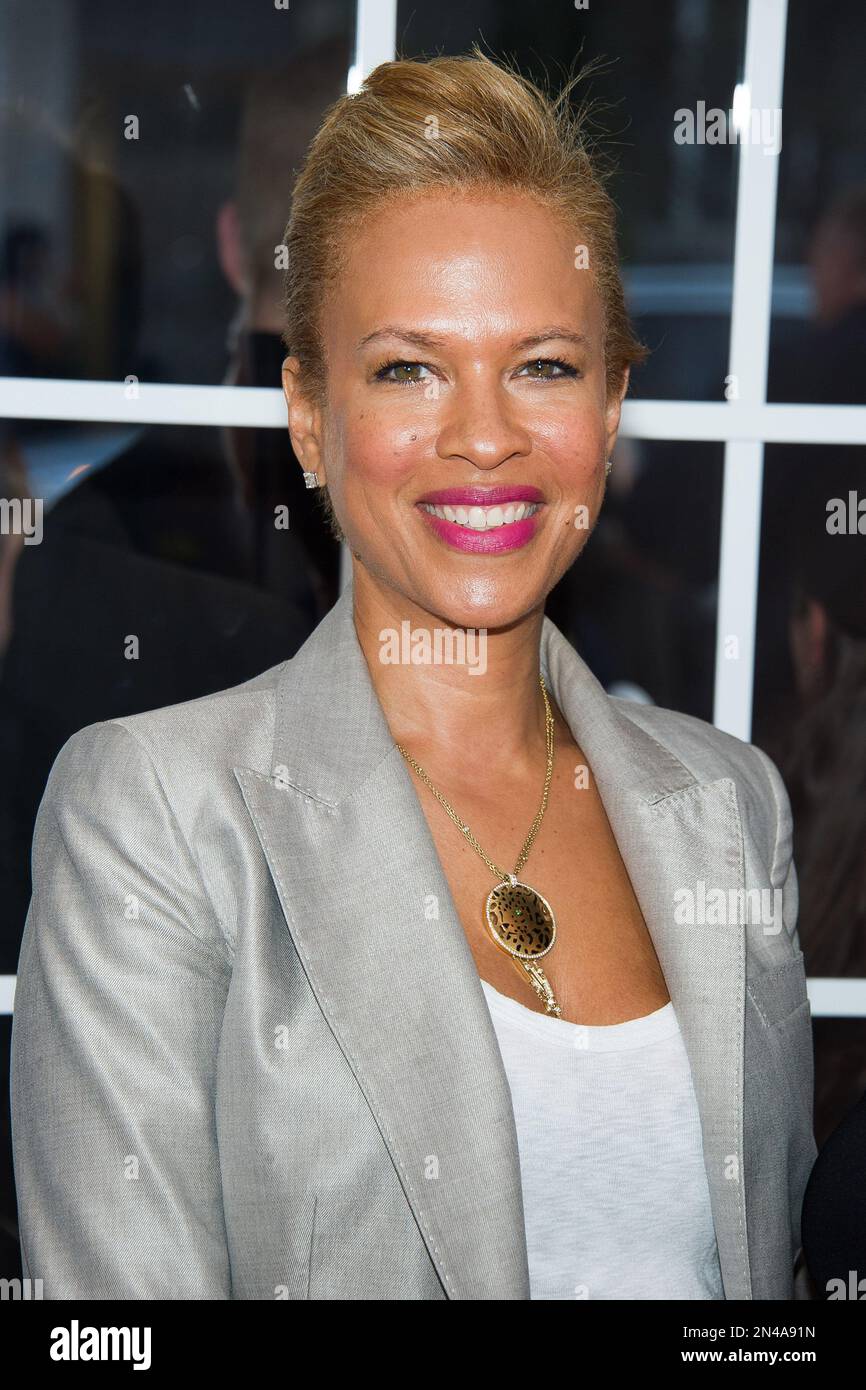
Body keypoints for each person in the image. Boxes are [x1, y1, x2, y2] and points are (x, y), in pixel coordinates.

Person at [10, 50, 815, 1301]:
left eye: (543, 364)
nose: (483, 435)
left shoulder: (732, 810)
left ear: (608, 409)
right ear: (307, 419)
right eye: (407, 369)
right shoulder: (159, 816)